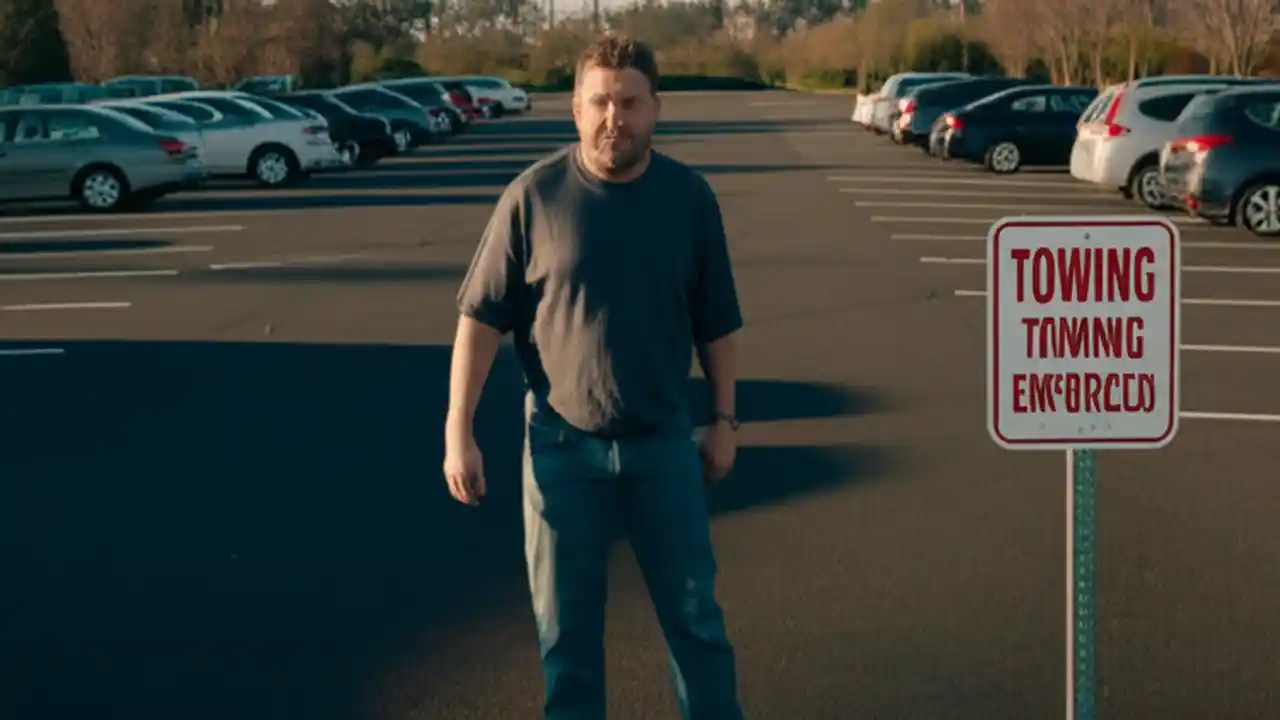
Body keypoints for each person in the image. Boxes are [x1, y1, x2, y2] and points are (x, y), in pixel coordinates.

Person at [443, 32, 746, 720]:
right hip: (560, 450)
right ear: (575, 110)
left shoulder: (689, 200)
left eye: (630, 102)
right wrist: (457, 428)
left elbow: (718, 326)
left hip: (662, 445)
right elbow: (480, 323)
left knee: (696, 621)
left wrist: (724, 422)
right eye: (600, 102)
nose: (616, 118)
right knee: (567, 636)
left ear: (656, 108)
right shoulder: (534, 197)